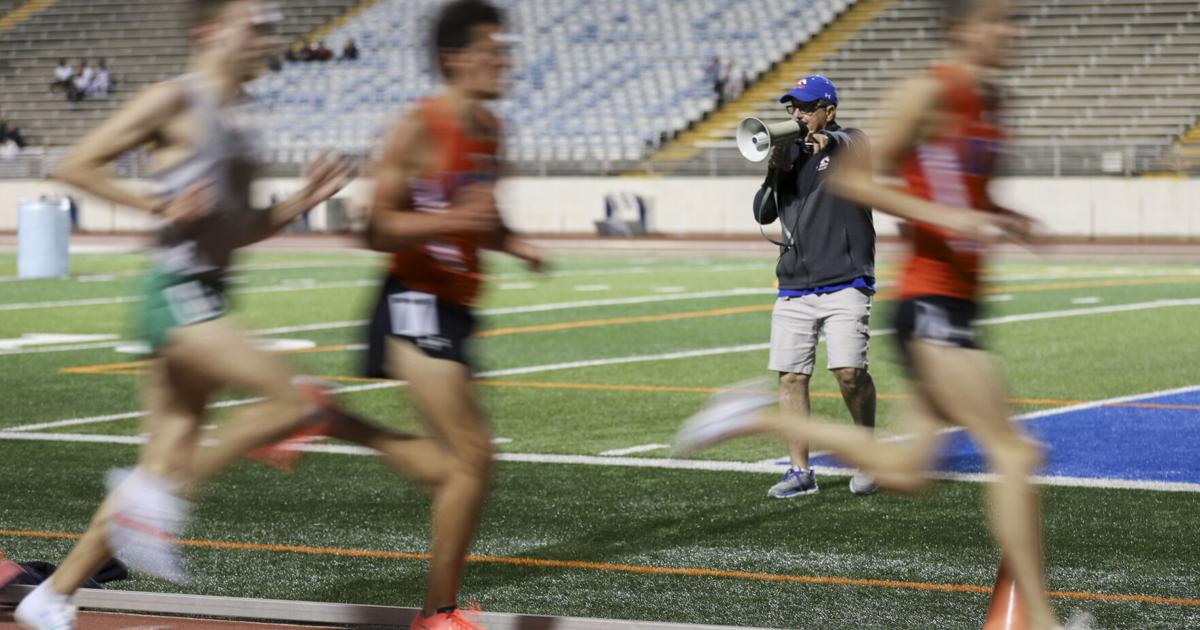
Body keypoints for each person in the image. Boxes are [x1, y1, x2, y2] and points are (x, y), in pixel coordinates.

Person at [674, 1, 1089, 629]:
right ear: (965, 27)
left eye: (1018, 19)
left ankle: (749, 419)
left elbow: (959, 187)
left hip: (959, 303)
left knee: (902, 470)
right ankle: (1041, 623)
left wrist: (1001, 212)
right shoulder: (930, 89)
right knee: (1013, 454)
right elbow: (857, 182)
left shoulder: (993, 101)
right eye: (1002, 19)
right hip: (931, 303)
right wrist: (947, 218)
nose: (1015, 31)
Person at [11, 2, 358, 628]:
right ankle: (149, 510)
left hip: (210, 295)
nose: (267, 37)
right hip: (175, 294)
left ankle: (53, 595)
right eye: (254, 24)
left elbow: (239, 229)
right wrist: (153, 201)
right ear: (211, 31)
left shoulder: (243, 118)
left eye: (272, 27)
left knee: (163, 465)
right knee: (296, 403)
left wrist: (303, 201)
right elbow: (74, 164)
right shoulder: (174, 99)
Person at [364, 1, 543, 627]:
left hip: (458, 307)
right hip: (412, 298)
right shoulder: (416, 128)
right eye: (491, 49)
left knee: (458, 464)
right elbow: (374, 227)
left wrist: (511, 242)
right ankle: (437, 612)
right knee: (473, 455)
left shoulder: (492, 130)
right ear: (454, 59)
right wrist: (453, 221)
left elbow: (480, 220)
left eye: (504, 48)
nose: (503, 60)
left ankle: (321, 415)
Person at [752, 74, 879, 498]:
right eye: (793, 108)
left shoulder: (849, 144)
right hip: (795, 285)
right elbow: (763, 214)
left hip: (845, 279)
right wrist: (775, 170)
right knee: (790, 378)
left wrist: (832, 141)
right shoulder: (788, 157)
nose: (798, 114)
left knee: (849, 373)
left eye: (806, 107)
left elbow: (855, 144)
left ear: (829, 110)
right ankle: (800, 471)